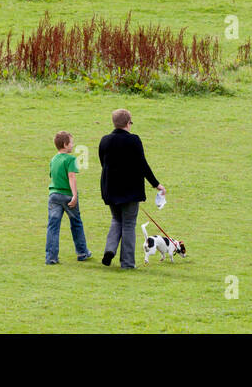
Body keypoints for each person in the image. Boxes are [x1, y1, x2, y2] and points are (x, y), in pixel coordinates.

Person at [98, 109, 165, 269]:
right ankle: (127, 263)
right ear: (128, 123)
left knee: (116, 219)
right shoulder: (134, 140)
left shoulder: (105, 140)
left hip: (110, 188)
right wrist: (156, 184)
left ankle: (110, 249)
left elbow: (103, 163)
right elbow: (143, 165)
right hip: (130, 190)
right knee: (128, 224)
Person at [46, 131, 92, 265]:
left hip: (53, 195)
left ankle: (51, 257)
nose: (73, 145)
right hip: (67, 195)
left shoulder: (53, 159)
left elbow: (52, 176)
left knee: (53, 226)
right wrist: (74, 195)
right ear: (65, 145)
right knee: (76, 223)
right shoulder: (71, 160)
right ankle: (82, 252)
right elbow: (71, 177)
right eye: (71, 142)